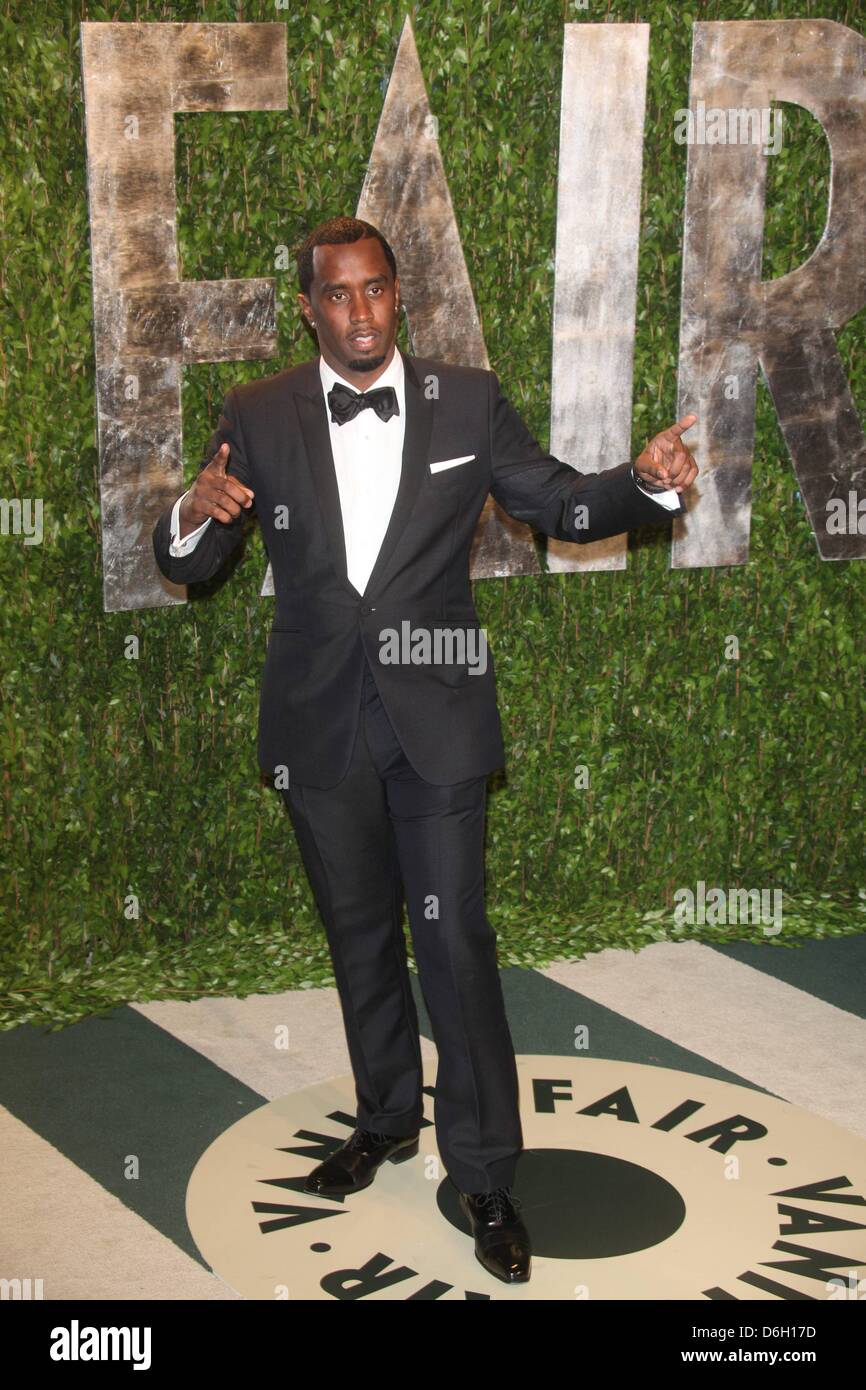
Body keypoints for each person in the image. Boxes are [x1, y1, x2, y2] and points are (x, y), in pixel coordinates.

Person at [152, 216, 698, 1285]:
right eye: (337, 295)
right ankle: (387, 1116)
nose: (360, 312)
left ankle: (484, 1172)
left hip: (437, 722)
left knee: (452, 945)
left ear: (400, 296)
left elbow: (558, 502)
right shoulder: (256, 412)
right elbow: (203, 557)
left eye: (376, 291)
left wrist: (644, 482)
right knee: (358, 938)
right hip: (317, 726)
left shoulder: (464, 399)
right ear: (308, 307)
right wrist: (187, 508)